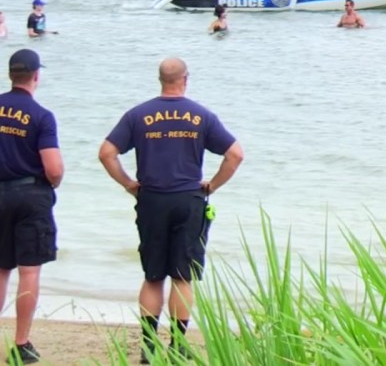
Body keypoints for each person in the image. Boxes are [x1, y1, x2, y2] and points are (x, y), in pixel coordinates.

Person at [97, 58, 245, 362]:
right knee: (182, 277)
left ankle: (148, 350)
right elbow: (235, 155)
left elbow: (107, 153)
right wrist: (212, 186)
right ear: (185, 79)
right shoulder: (201, 115)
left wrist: (128, 183)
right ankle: (177, 346)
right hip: (188, 199)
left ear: (160, 79)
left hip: (151, 199)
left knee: (153, 276)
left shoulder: (138, 115)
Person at [0, 49, 63, 364]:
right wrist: (56, 180)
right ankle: (21, 343)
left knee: (0, 270)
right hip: (29, 195)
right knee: (28, 271)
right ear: (36, 76)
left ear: (11, 74)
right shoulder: (41, 116)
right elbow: (52, 168)